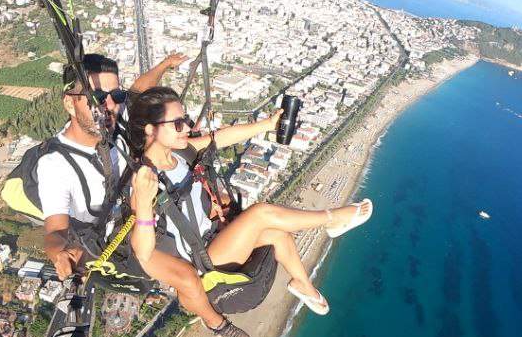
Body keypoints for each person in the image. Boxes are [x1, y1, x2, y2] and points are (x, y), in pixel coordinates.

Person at [39, 57, 254, 337]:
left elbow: (138, 89)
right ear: (69, 103)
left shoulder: (114, 124)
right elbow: (55, 230)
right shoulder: (56, 164)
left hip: (152, 210)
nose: (110, 105)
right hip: (121, 238)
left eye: (114, 96)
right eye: (98, 98)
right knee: (186, 277)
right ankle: (216, 323)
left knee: (226, 203)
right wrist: (58, 253)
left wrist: (165, 64)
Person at [126, 86, 373, 320]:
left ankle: (303, 285)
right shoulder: (145, 179)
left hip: (213, 240)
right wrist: (145, 207)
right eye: (178, 123)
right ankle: (333, 219)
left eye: (186, 120)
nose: (187, 128)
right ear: (150, 129)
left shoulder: (179, 153)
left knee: (279, 235)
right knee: (261, 213)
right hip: (201, 261)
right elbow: (144, 250)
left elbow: (220, 138)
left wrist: (266, 125)